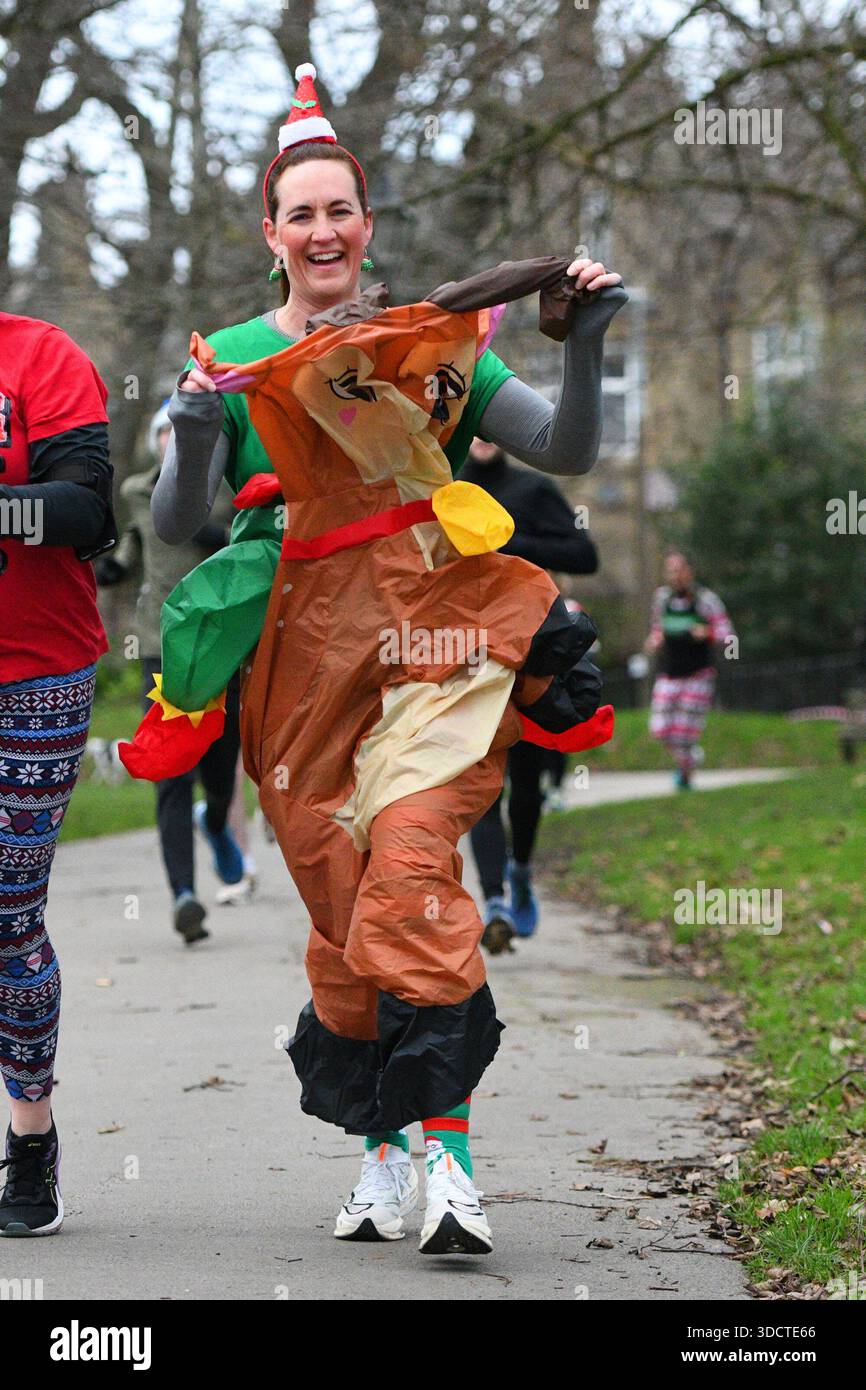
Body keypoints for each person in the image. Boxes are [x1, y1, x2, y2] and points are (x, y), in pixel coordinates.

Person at [143, 63, 625, 1256]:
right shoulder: (233, 356)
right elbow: (174, 520)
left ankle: (449, 1161)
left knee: (410, 863)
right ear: (271, 235)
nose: (323, 230)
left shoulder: (424, 343)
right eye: (299, 213)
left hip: (433, 633)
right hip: (301, 656)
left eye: (340, 210)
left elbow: (564, 449)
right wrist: (194, 428)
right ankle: (380, 1147)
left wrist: (586, 344)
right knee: (341, 902)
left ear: (366, 224)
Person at [0, 311, 116, 1235]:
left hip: (33, 674)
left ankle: (30, 1137)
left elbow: (84, 511)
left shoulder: (39, 355)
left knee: (6, 916)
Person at [96, 401, 246, 942]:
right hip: (162, 647)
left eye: (182, 432)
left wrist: (216, 535)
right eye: (165, 432)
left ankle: (216, 821)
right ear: (157, 442)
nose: (173, 440)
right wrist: (106, 568)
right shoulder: (139, 492)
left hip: (222, 645)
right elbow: (133, 549)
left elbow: (256, 542)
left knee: (221, 766)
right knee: (170, 768)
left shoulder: (227, 485)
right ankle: (184, 894)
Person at [460, 436, 598, 951]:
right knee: (479, 775)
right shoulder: (447, 487)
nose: (483, 439)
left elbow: (584, 555)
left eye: (492, 428)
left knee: (525, 778)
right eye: (476, 428)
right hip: (468, 648)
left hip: (531, 643)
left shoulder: (532, 489)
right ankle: (494, 899)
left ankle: (519, 868)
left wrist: (513, 543)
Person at [644, 549, 736, 788]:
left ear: (689, 571)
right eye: (670, 571)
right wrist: (655, 639)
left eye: (679, 570)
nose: (675, 576)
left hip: (698, 675)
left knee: (684, 734)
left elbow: (729, 637)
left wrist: (708, 633)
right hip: (669, 672)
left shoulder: (706, 600)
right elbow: (658, 627)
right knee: (659, 729)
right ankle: (691, 759)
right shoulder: (662, 599)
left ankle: (684, 775)